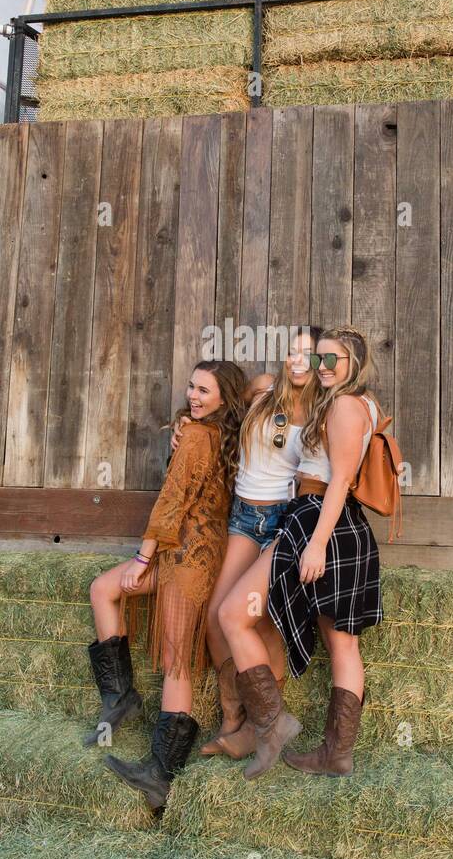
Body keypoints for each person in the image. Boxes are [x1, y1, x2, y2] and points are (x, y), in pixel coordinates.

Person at [218, 326, 382, 779]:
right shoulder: (356, 403)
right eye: (319, 359)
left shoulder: (346, 406)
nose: (322, 367)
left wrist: (315, 544)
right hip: (324, 519)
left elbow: (342, 481)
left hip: (318, 518)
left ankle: (273, 724)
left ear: (353, 363)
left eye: (332, 360)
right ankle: (334, 754)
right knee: (341, 643)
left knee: (233, 614)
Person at [86, 360, 246, 810]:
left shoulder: (200, 435)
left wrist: (142, 557)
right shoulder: (211, 433)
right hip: (188, 553)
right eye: (192, 387)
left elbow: (171, 501)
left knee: (176, 660)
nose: (194, 396)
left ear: (224, 399)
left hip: (189, 557)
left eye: (204, 391)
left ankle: (161, 774)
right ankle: (121, 698)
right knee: (104, 590)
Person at [198, 326, 322, 759]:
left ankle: (260, 724)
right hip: (243, 516)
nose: (297, 361)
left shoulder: (324, 412)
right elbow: (219, 409)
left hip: (282, 520)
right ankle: (234, 715)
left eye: (308, 355)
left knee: (259, 618)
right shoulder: (264, 389)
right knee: (217, 614)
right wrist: (184, 419)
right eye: (292, 352)